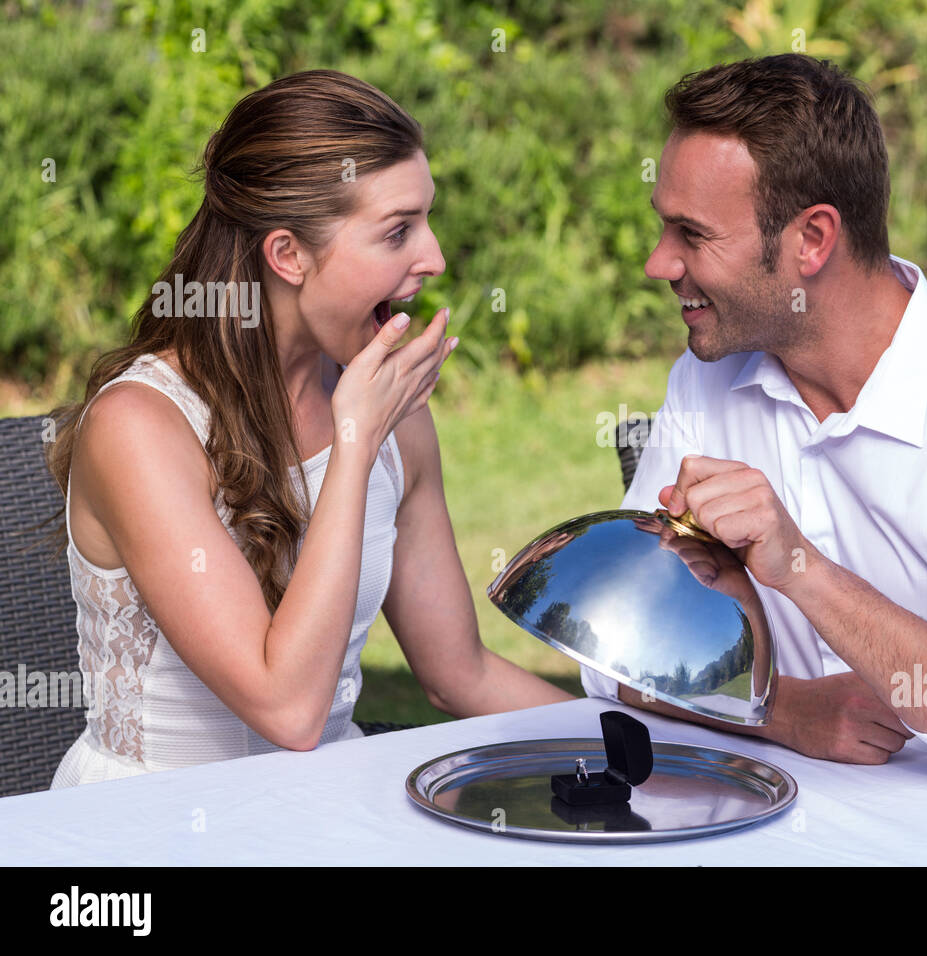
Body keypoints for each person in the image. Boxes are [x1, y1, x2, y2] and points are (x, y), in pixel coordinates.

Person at [580, 54, 927, 789]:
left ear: (813, 240)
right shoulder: (704, 383)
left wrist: (800, 569)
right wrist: (780, 711)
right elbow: (612, 650)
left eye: (691, 235)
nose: (657, 263)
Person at [44, 70, 570, 787]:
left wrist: (627, 736)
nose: (436, 257)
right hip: (154, 824)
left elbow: (460, 674)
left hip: (316, 811)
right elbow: (286, 709)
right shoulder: (139, 428)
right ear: (288, 255)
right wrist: (354, 446)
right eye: (397, 231)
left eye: (427, 218)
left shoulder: (392, 419)